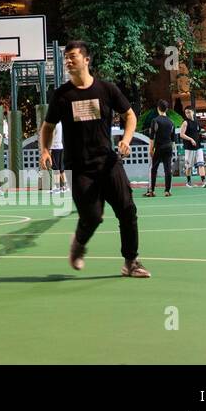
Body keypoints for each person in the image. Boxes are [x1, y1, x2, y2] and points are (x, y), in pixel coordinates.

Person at [39, 40, 149, 278]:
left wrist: (127, 140)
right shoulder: (61, 95)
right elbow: (47, 127)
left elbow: (129, 116)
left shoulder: (107, 89)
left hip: (108, 162)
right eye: (66, 58)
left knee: (127, 209)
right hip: (79, 168)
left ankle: (131, 261)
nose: (68, 61)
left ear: (86, 60)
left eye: (72, 57)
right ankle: (78, 244)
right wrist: (45, 150)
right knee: (92, 216)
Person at [143, 100, 176, 198]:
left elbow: (152, 137)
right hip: (168, 146)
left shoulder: (155, 120)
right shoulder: (171, 122)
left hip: (159, 147)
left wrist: (150, 149)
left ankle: (151, 190)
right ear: (167, 109)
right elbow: (173, 140)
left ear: (158, 108)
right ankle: (167, 191)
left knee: (153, 169)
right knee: (168, 169)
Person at [180, 112, 206, 188]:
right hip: (189, 147)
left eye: (189, 112)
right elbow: (181, 134)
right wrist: (191, 139)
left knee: (201, 164)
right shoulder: (185, 122)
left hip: (198, 147)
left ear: (193, 112)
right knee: (189, 166)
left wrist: (202, 136)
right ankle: (188, 182)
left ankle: (203, 182)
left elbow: (197, 134)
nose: (187, 114)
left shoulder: (197, 122)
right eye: (186, 113)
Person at [50, 121, 67, 194]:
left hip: (55, 148)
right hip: (61, 147)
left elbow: (52, 136)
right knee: (61, 168)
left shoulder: (54, 124)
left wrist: (50, 148)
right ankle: (65, 187)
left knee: (55, 168)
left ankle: (57, 188)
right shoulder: (61, 124)